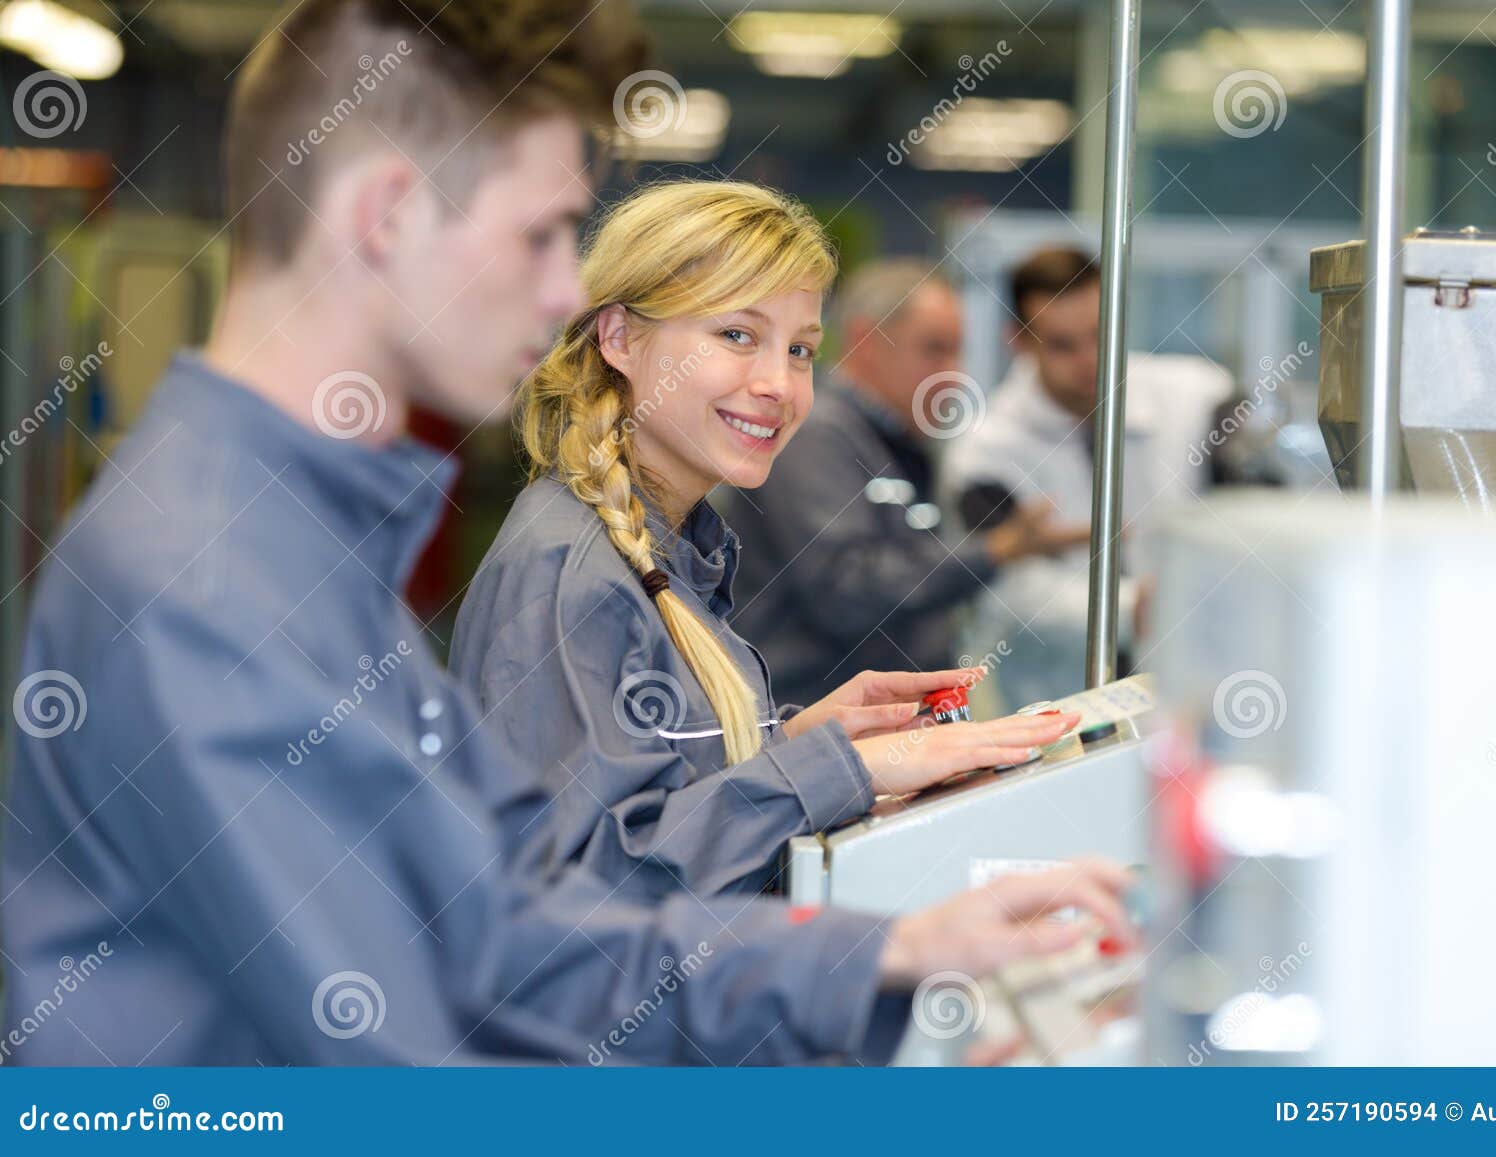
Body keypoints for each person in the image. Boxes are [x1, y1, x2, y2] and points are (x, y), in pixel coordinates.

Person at [0, 0, 1135, 1066]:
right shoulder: (216, 581)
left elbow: (512, 918)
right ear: (387, 215)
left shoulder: (286, 537)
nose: (563, 298)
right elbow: (440, 1035)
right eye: (542, 235)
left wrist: (890, 954)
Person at [449, 182, 1081, 901]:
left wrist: (798, 744)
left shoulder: (672, 551)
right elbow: (588, 891)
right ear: (620, 337)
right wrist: (843, 771)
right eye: (737, 335)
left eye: (802, 349)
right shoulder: (573, 575)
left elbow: (664, 795)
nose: (779, 385)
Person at [722, 259, 1088, 711]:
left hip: (874, 729)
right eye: (935, 350)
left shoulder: (898, 441)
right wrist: (994, 550)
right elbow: (846, 590)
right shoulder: (815, 436)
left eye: (958, 352)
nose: (952, 372)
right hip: (813, 726)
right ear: (866, 342)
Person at [943, 247, 1232, 710]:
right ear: (1018, 340)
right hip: (1058, 703)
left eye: (1100, 335)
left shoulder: (1197, 395)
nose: (1088, 360)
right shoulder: (984, 454)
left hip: (1191, 691)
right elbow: (1009, 592)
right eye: (1062, 344)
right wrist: (1136, 604)